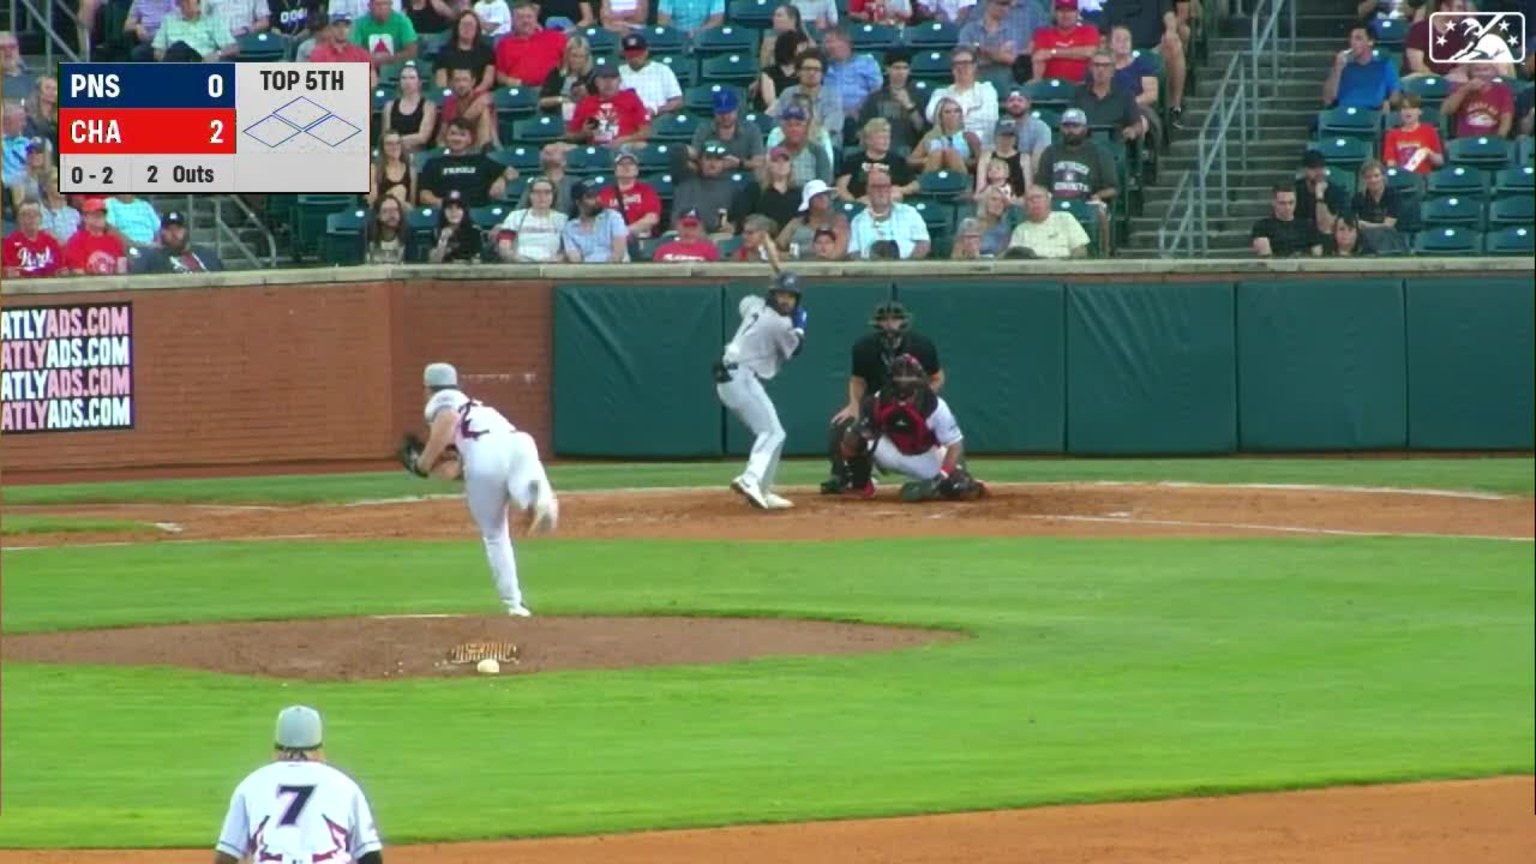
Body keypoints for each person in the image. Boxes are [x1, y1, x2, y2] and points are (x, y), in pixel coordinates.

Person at [408, 362, 559, 617]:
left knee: (495, 534)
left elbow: (448, 419)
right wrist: (444, 468)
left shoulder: (440, 401)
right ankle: (534, 499)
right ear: (457, 384)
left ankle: (514, 605)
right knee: (519, 476)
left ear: (428, 388)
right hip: (518, 442)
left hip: (484, 456)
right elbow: (459, 465)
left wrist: (422, 464)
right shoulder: (476, 407)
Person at [213, 706, 384, 864]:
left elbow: (226, 856)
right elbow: (370, 856)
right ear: (319, 748)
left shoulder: (251, 784)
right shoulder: (345, 785)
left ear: (277, 749)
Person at [822, 299, 943, 495]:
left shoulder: (922, 345)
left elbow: (937, 377)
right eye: (884, 319)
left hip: (913, 406)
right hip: (877, 407)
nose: (889, 324)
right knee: (843, 425)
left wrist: (921, 400)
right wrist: (854, 405)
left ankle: (951, 471)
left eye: (895, 318)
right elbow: (857, 380)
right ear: (876, 322)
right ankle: (850, 477)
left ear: (904, 321)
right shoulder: (864, 347)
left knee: (939, 427)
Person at [832, 353, 988, 502]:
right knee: (851, 435)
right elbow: (862, 433)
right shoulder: (879, 400)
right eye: (899, 378)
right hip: (891, 451)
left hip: (926, 457)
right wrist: (863, 458)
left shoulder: (934, 405)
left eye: (909, 378)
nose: (904, 383)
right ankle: (861, 485)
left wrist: (941, 477)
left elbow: (955, 445)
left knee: (959, 486)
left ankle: (948, 488)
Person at [715, 271, 808, 510]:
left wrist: (775, 298)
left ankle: (762, 490)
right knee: (771, 432)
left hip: (732, 377)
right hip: (741, 377)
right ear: (772, 294)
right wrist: (799, 326)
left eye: (791, 296)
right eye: (781, 295)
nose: (786, 300)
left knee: (775, 432)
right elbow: (795, 350)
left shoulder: (755, 304)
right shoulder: (780, 324)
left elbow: (744, 303)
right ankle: (751, 478)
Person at [130, 210, 226, 273]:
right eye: (169, 229)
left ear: (186, 230)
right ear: (161, 233)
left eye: (178, 229)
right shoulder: (153, 260)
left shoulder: (205, 254)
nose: (174, 234)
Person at [2, 199, 64, 278]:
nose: (31, 218)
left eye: (35, 214)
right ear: (18, 219)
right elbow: (8, 272)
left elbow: (60, 269)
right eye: (26, 214)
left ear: (41, 218)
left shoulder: (51, 241)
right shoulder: (9, 243)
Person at [428, 189, 483, 263]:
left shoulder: (474, 230)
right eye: (449, 208)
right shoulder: (436, 231)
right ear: (443, 211)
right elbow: (433, 261)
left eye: (458, 207)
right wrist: (443, 241)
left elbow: (478, 260)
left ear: (464, 211)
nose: (454, 212)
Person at [652, 208, 722, 261]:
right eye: (686, 225)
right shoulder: (663, 250)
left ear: (701, 228)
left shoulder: (710, 250)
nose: (689, 229)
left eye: (693, 225)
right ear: (677, 226)